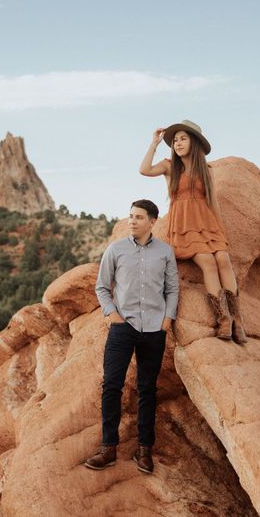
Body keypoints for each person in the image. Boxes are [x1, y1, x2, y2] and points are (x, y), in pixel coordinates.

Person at [84, 199, 178, 475]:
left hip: (154, 330)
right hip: (122, 328)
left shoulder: (165, 252)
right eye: (130, 216)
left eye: (138, 217)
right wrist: (112, 315)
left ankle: (144, 449)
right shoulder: (116, 249)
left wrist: (167, 320)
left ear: (152, 221)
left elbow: (172, 288)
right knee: (112, 385)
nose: (132, 221)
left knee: (147, 389)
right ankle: (108, 448)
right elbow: (102, 287)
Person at [138, 119, 247, 343]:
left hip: (207, 223)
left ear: (194, 142)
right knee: (207, 261)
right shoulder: (170, 166)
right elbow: (144, 170)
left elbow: (213, 202)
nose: (178, 143)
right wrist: (154, 143)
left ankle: (237, 320)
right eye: (175, 140)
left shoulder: (206, 170)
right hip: (184, 226)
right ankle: (223, 319)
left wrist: (221, 231)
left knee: (223, 259)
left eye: (183, 139)